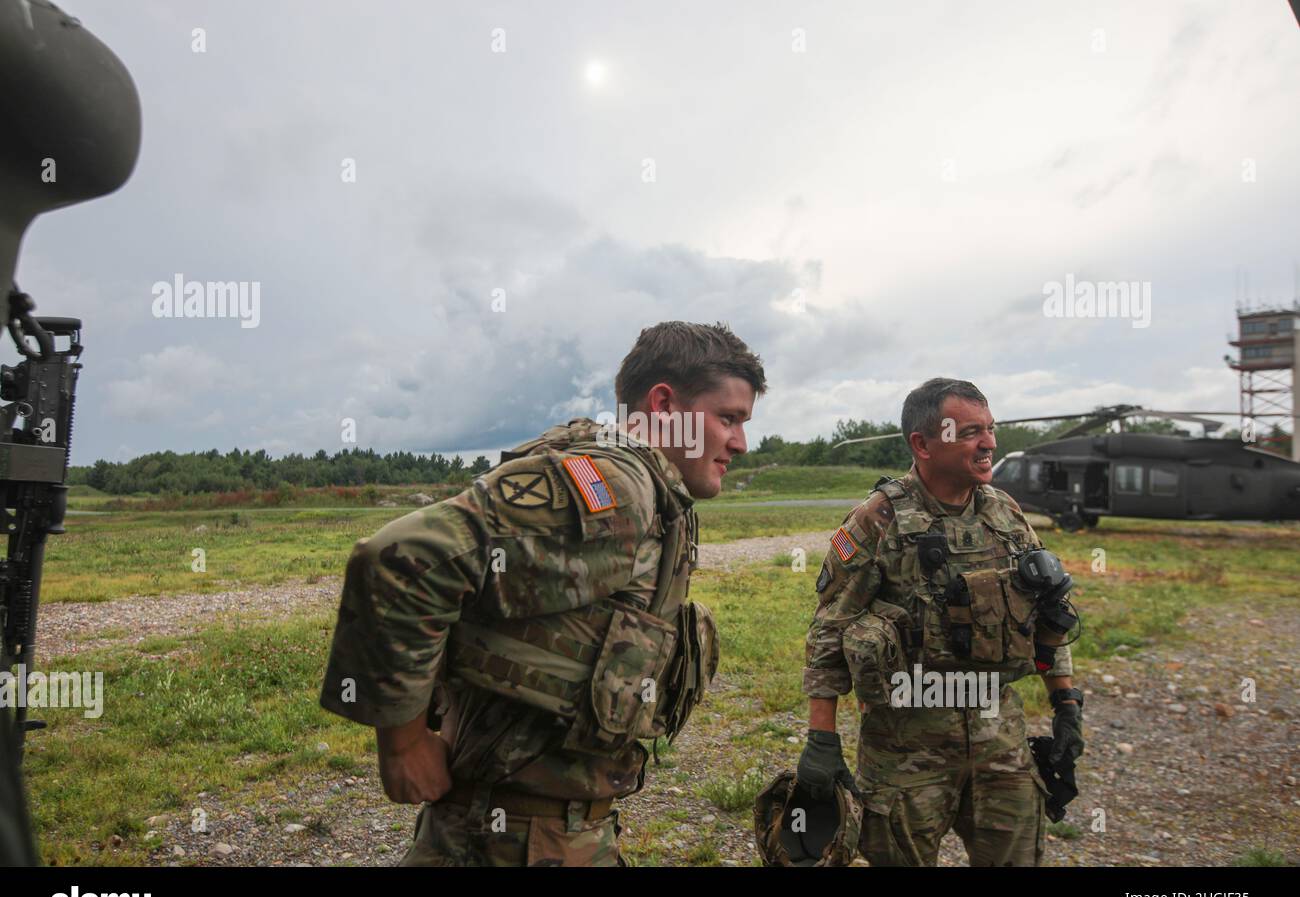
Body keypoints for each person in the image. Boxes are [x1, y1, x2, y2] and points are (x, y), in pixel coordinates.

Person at [320, 321, 765, 865]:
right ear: (665, 404)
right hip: (505, 840)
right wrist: (404, 744)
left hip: (551, 829)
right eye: (728, 419)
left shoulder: (651, 492)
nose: (740, 443)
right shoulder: (619, 487)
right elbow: (405, 558)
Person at [799, 378, 1084, 866]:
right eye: (972, 432)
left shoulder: (1004, 512)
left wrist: (1066, 704)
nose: (990, 443)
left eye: (990, 430)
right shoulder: (879, 518)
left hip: (1001, 740)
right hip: (905, 749)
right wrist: (821, 739)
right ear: (922, 444)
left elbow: (1046, 611)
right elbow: (830, 627)